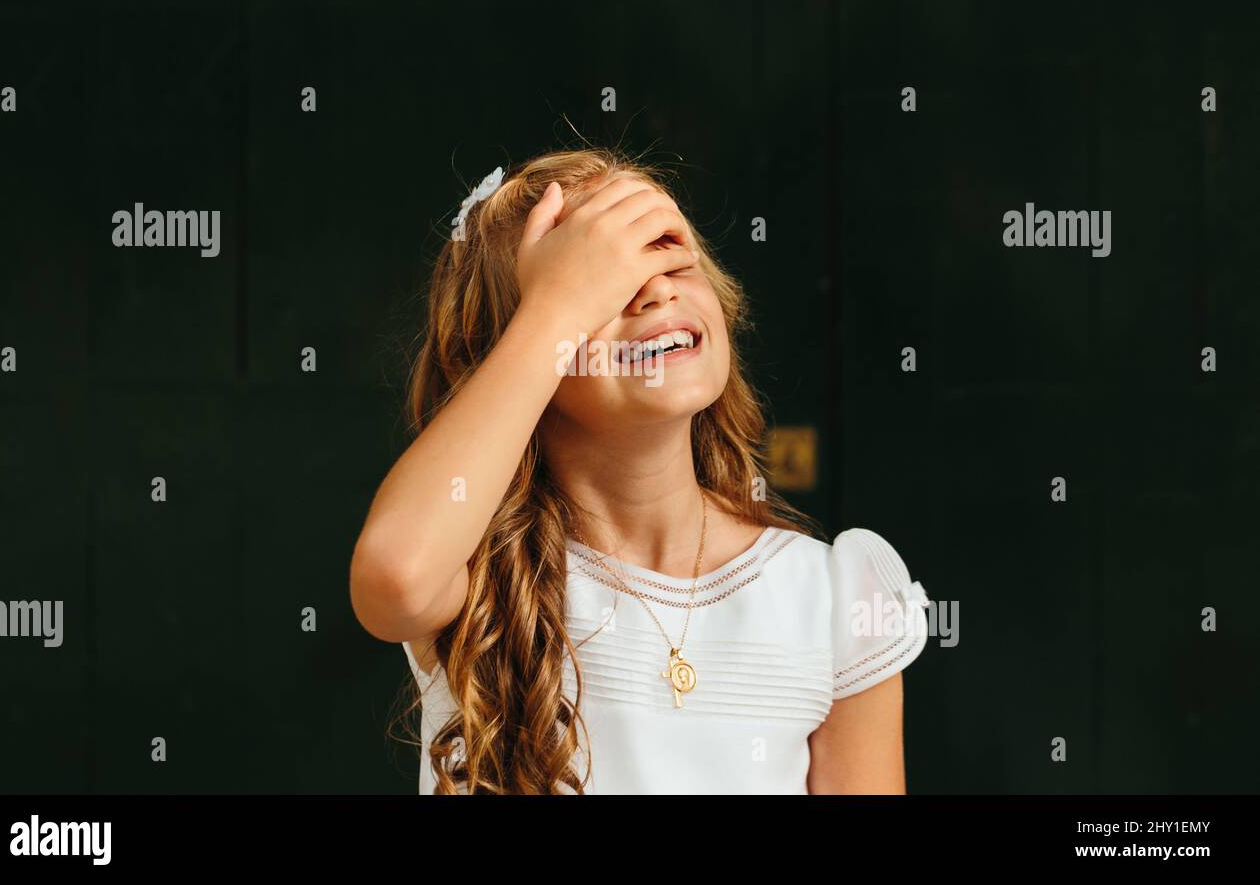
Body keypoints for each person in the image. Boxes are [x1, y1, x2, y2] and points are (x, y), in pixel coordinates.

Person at [349, 146, 930, 793]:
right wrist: (556, 312)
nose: (654, 290)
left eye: (669, 254)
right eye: (599, 281)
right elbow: (394, 573)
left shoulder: (831, 600)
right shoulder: (477, 577)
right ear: (518, 351)